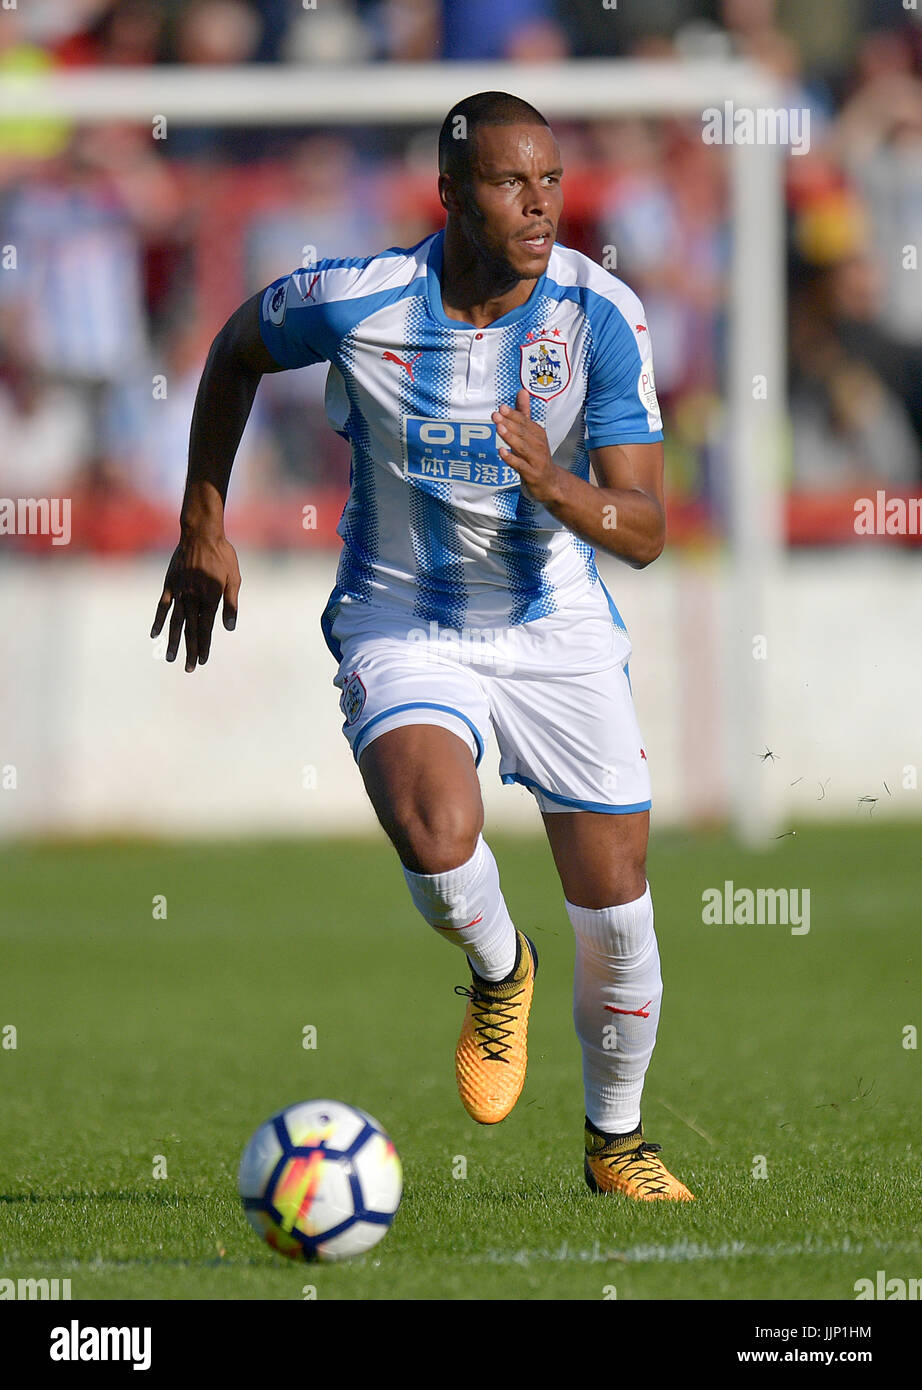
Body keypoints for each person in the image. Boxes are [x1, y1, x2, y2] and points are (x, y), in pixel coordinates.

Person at [151, 91, 693, 1201]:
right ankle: (500, 971)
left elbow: (643, 532)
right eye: (508, 182)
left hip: (554, 628)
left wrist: (556, 481)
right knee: (434, 834)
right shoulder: (360, 298)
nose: (538, 203)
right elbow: (233, 348)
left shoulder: (598, 313)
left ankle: (616, 1144)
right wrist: (203, 518)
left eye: (548, 180)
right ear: (448, 195)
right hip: (403, 619)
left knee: (620, 913)